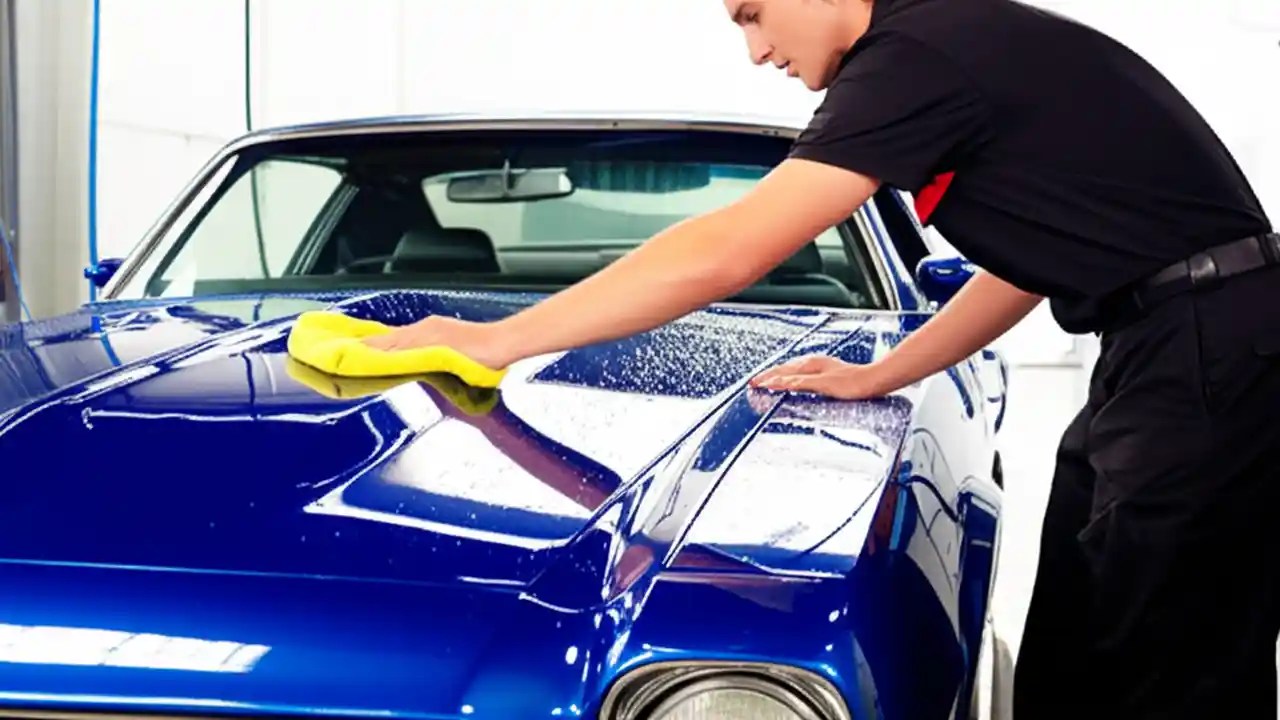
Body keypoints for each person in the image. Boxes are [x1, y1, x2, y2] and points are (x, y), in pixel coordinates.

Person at [367, 0, 1279, 716]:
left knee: (1169, 665)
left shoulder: (914, 57)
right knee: (1087, 638)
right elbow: (1026, 264)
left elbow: (732, 250)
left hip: (1206, 344)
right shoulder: (953, 46)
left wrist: (493, 339)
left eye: (752, 14)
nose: (756, 52)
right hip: (1175, 338)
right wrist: (885, 373)